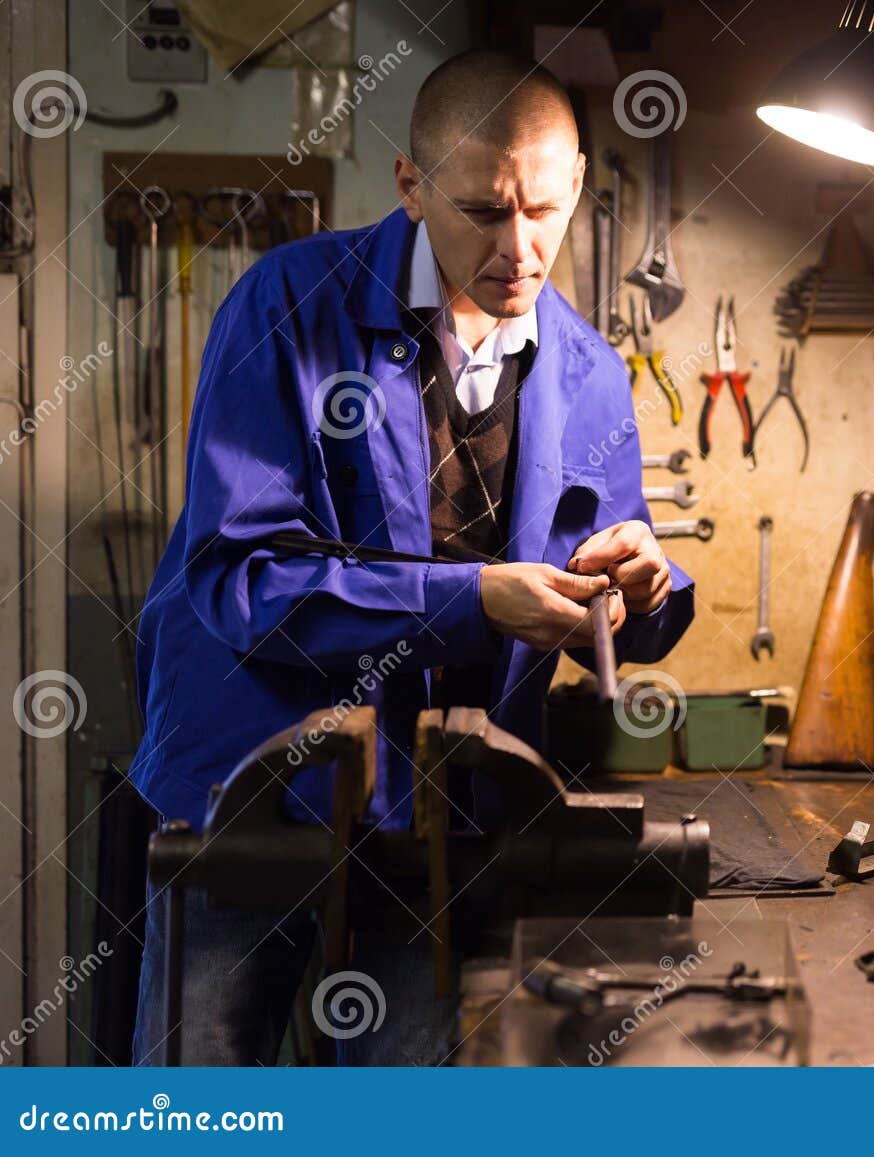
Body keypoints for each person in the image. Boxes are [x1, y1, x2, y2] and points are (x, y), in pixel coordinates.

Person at [128, 50, 693, 1065]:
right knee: (198, 1094)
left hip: (442, 818)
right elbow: (241, 580)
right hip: (252, 788)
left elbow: (616, 595)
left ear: (576, 187)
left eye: (546, 211)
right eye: (483, 211)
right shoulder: (286, 308)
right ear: (411, 184)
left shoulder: (590, 371)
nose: (520, 248)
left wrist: (638, 591)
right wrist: (475, 598)